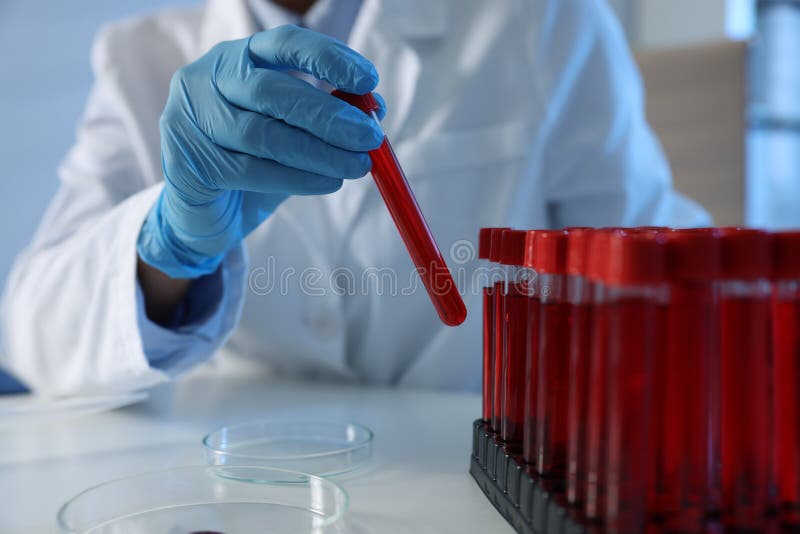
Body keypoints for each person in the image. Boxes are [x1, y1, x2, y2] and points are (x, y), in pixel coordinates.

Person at [0, 0, 708, 396]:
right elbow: (33, 336)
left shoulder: (541, 20)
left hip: (465, 480)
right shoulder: (137, 58)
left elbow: (645, 274)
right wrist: (171, 246)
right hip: (235, 484)